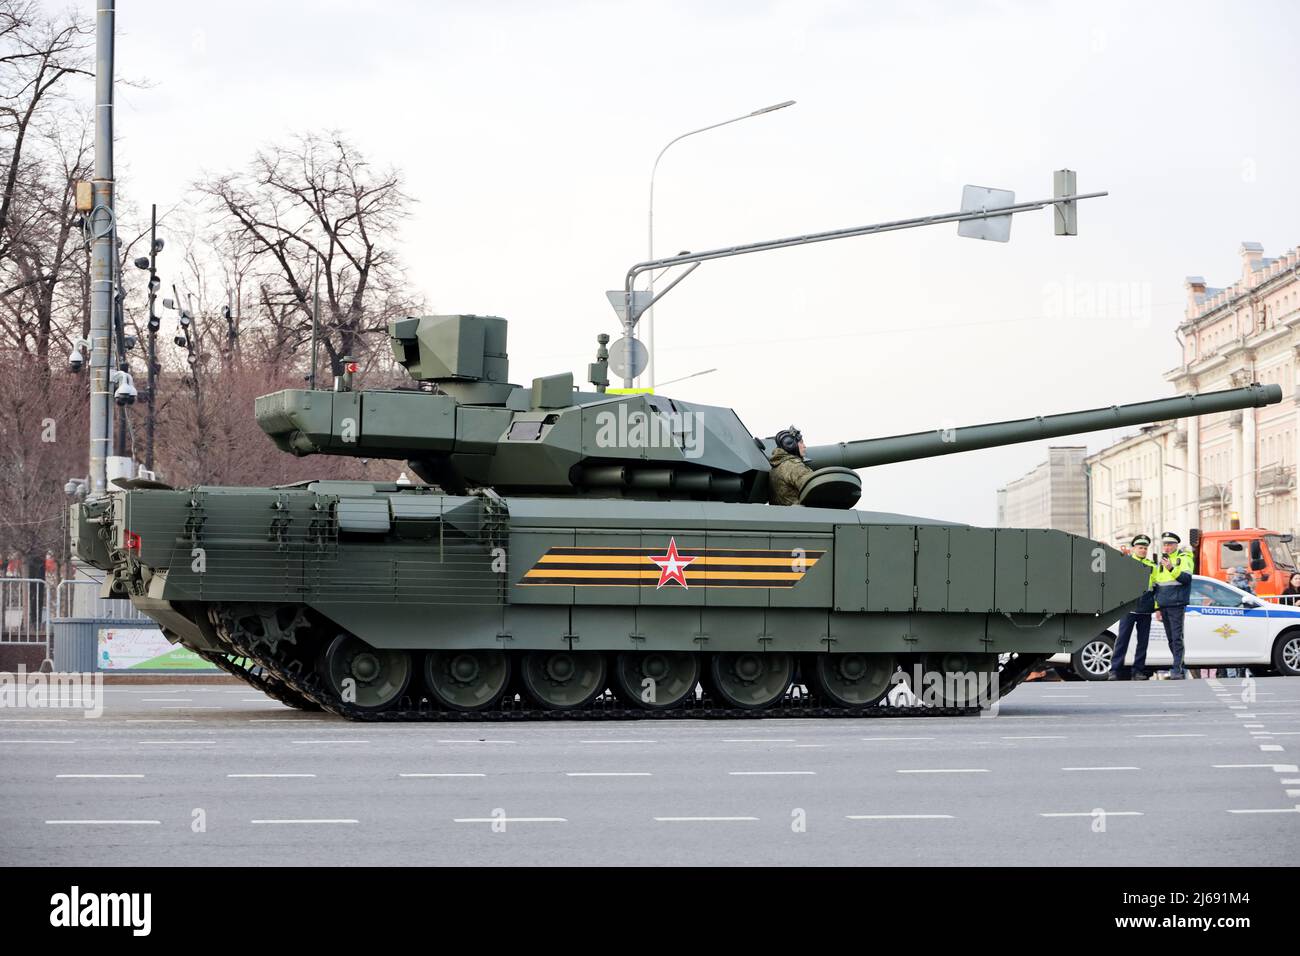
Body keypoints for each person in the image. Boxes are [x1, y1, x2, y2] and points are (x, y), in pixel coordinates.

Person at [1110, 534, 1156, 681]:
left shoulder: (1152, 566)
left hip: (1146, 609)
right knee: (1122, 640)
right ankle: (1114, 670)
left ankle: (1138, 671)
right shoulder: (1127, 563)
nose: (1143, 550)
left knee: (1142, 643)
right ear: (1134, 549)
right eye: (1140, 547)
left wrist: (1156, 607)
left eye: (1145, 548)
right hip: (1128, 609)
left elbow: (1156, 587)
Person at [1152, 531, 1195, 680]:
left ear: (1176, 545)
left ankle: (1177, 668)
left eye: (1170, 544)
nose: (1167, 547)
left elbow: (1186, 579)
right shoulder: (1161, 562)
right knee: (1171, 638)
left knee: (1177, 638)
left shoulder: (1184, 558)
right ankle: (1179, 664)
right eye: (1165, 544)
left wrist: (1171, 567)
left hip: (1176, 603)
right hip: (1164, 604)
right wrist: (1157, 607)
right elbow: (1157, 585)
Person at [768, 426, 814, 506]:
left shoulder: (777, 466)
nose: (804, 446)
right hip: (803, 515)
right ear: (790, 445)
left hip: (787, 515)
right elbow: (814, 489)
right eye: (801, 442)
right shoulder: (794, 467)